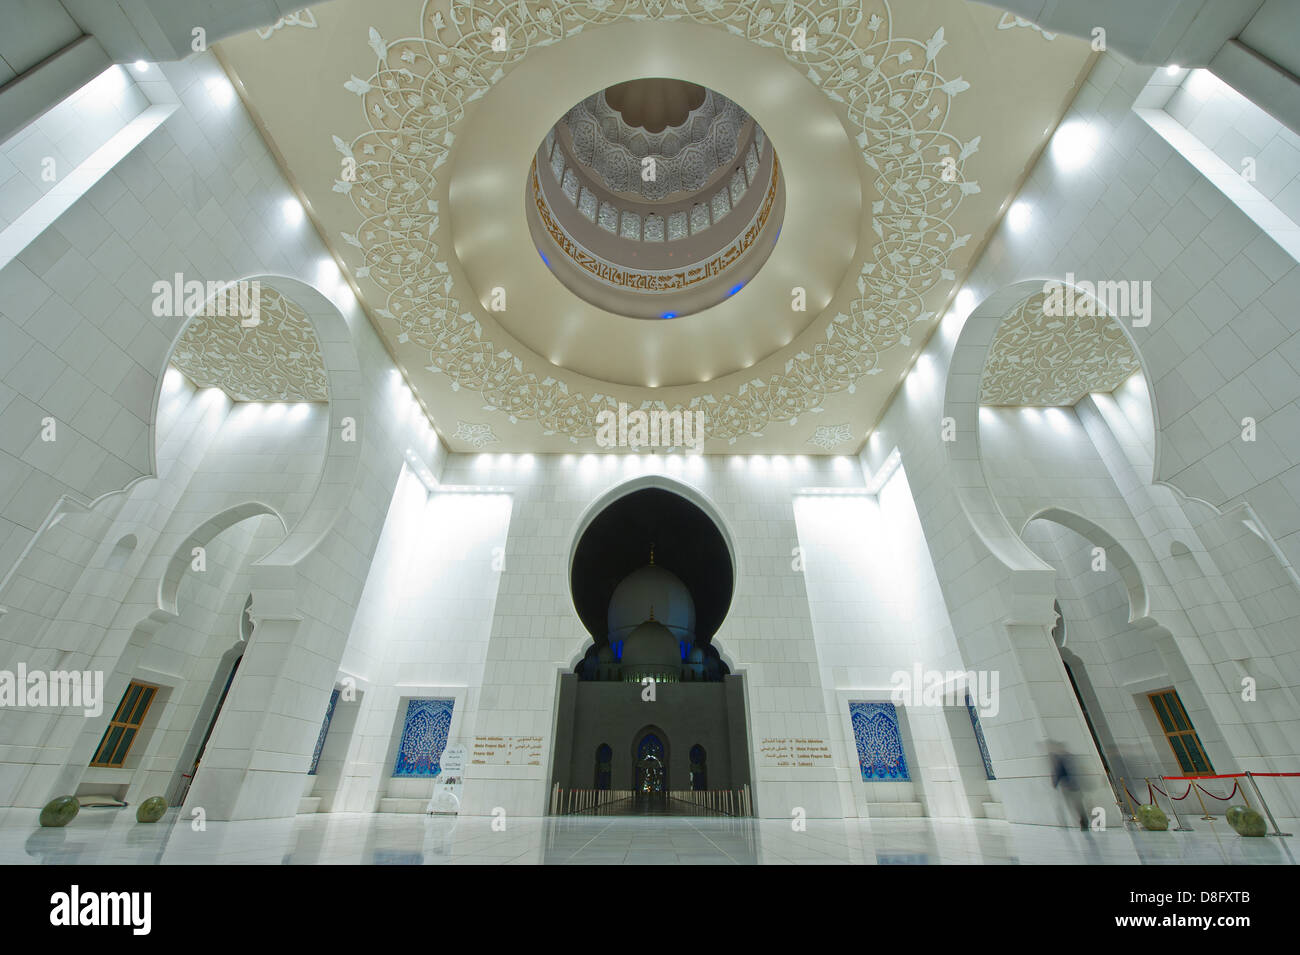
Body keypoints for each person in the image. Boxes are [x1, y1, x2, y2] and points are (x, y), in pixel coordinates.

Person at [1047, 740, 1089, 830]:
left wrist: (1055, 783)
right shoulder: (1067, 757)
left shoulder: (1061, 759)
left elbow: (1059, 772)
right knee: (1076, 805)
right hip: (1072, 786)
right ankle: (1082, 821)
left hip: (1070, 786)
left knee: (1075, 805)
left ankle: (1081, 821)